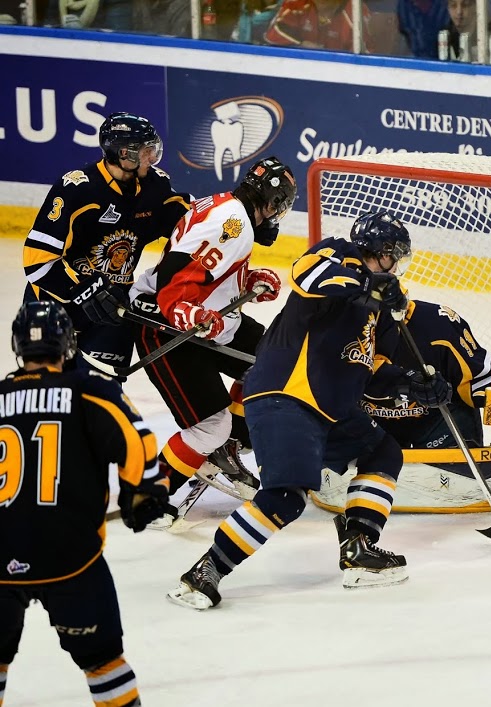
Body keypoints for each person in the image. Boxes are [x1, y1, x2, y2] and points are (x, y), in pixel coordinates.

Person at [166, 210, 452, 609]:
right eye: (394, 256)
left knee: (382, 451)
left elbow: (365, 369)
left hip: (330, 410)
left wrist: (412, 384)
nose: (396, 266)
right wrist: (372, 283)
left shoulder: (373, 309)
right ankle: (206, 572)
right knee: (286, 498)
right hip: (287, 397)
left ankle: (360, 549)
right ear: (381, 252)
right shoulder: (338, 256)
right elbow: (306, 274)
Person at [0, 301, 169, 706]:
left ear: (18, 346)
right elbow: (138, 441)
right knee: (102, 662)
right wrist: (143, 491)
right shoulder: (89, 389)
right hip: (70, 555)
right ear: (67, 345)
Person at [128, 156, 295, 517]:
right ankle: (149, 499)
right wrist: (189, 312)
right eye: (279, 206)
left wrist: (244, 283)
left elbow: (203, 267)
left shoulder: (227, 207)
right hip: (168, 328)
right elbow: (174, 280)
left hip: (205, 323)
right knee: (209, 427)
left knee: (272, 364)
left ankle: (226, 448)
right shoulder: (234, 222)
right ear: (270, 203)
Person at [22, 111, 191, 372]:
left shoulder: (155, 186)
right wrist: (87, 289)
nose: (152, 157)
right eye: (146, 151)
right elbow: (37, 262)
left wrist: (248, 217)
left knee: (104, 386)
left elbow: (193, 221)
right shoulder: (78, 189)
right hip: (55, 306)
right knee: (47, 389)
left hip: (114, 308)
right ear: (124, 154)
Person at [362, 298, 491, 449]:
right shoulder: (340, 323)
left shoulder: (436, 323)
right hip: (366, 434)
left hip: (437, 434)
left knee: (451, 396)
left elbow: (481, 377)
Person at [398, 0, 491, 59]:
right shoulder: (404, 6)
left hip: (463, 64)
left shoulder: (452, 8)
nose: (458, 12)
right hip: (418, 66)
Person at [262, 0, 374, 51]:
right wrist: (301, 45)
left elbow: (365, 57)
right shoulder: (297, 3)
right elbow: (273, 34)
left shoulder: (356, 11)